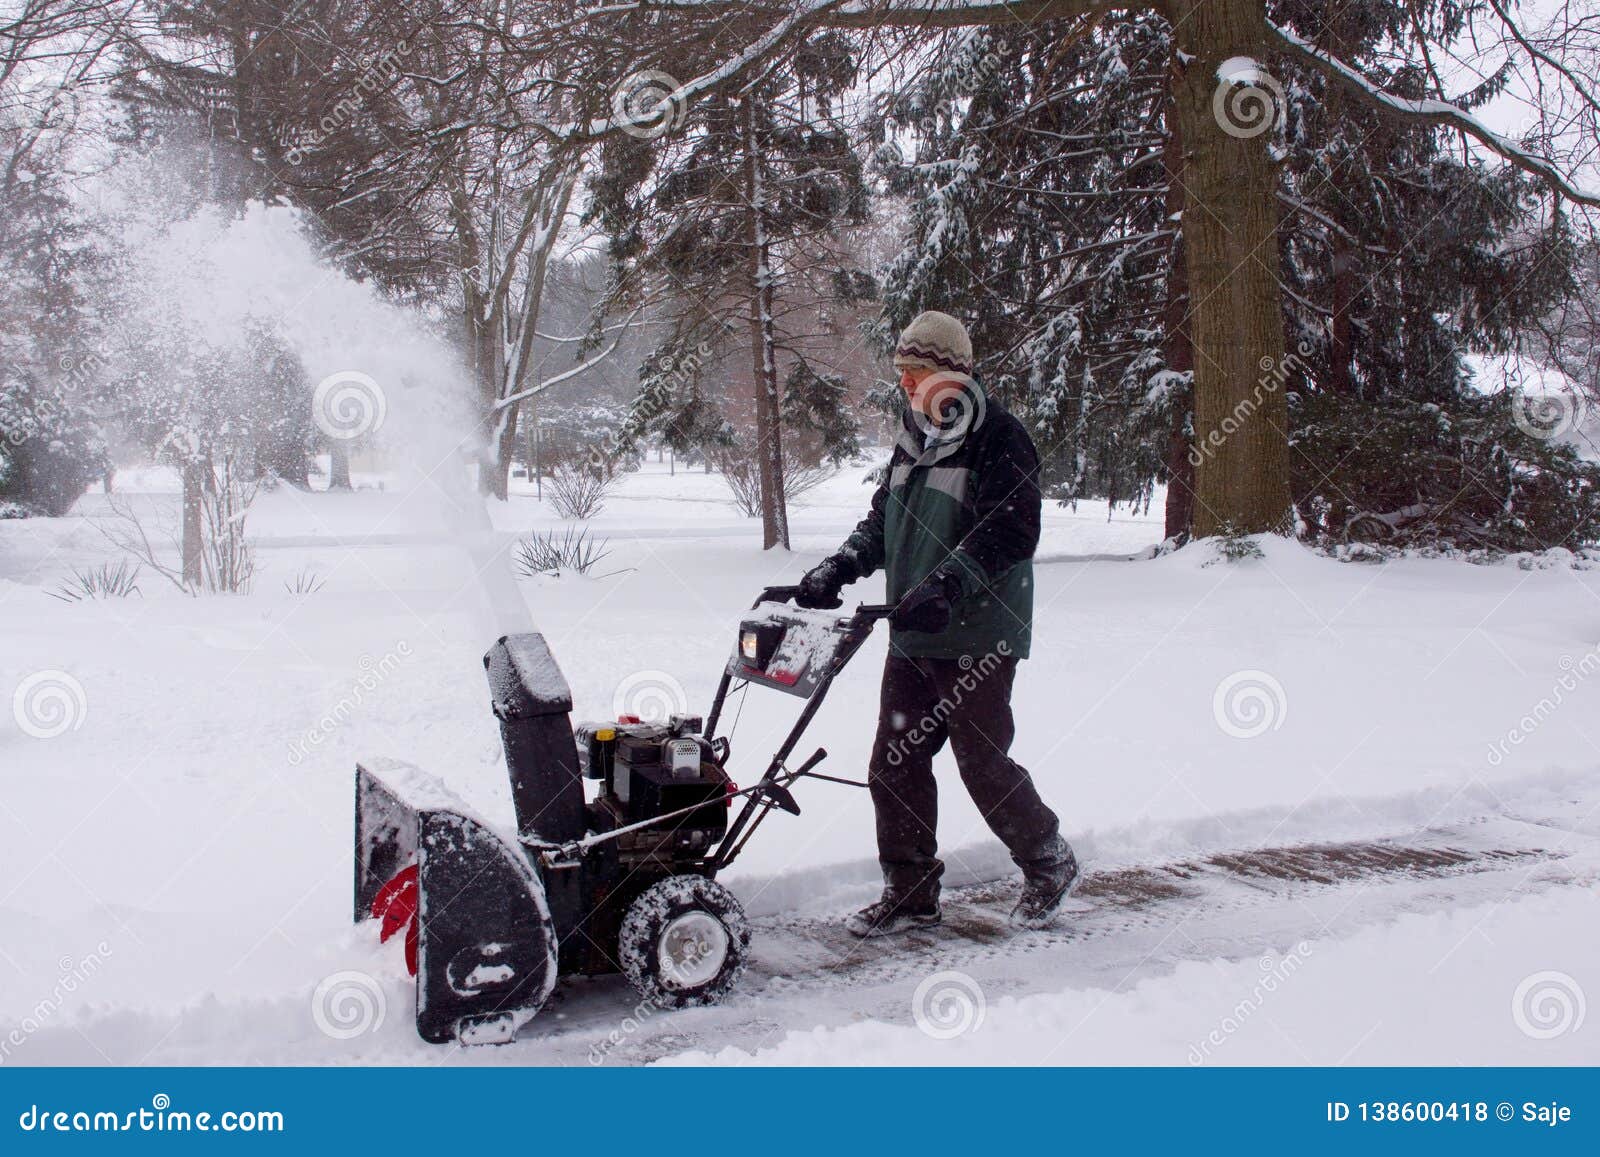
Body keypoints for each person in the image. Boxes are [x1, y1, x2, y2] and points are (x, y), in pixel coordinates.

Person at [794, 310, 1079, 936]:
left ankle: (1047, 860)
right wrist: (839, 567)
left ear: (950, 371)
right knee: (893, 764)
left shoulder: (999, 436)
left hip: (976, 632)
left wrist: (950, 583)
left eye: (914, 371)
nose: (904, 383)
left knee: (981, 762)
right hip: (914, 631)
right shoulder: (913, 438)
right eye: (900, 372)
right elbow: (882, 521)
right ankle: (911, 892)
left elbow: (1011, 530)